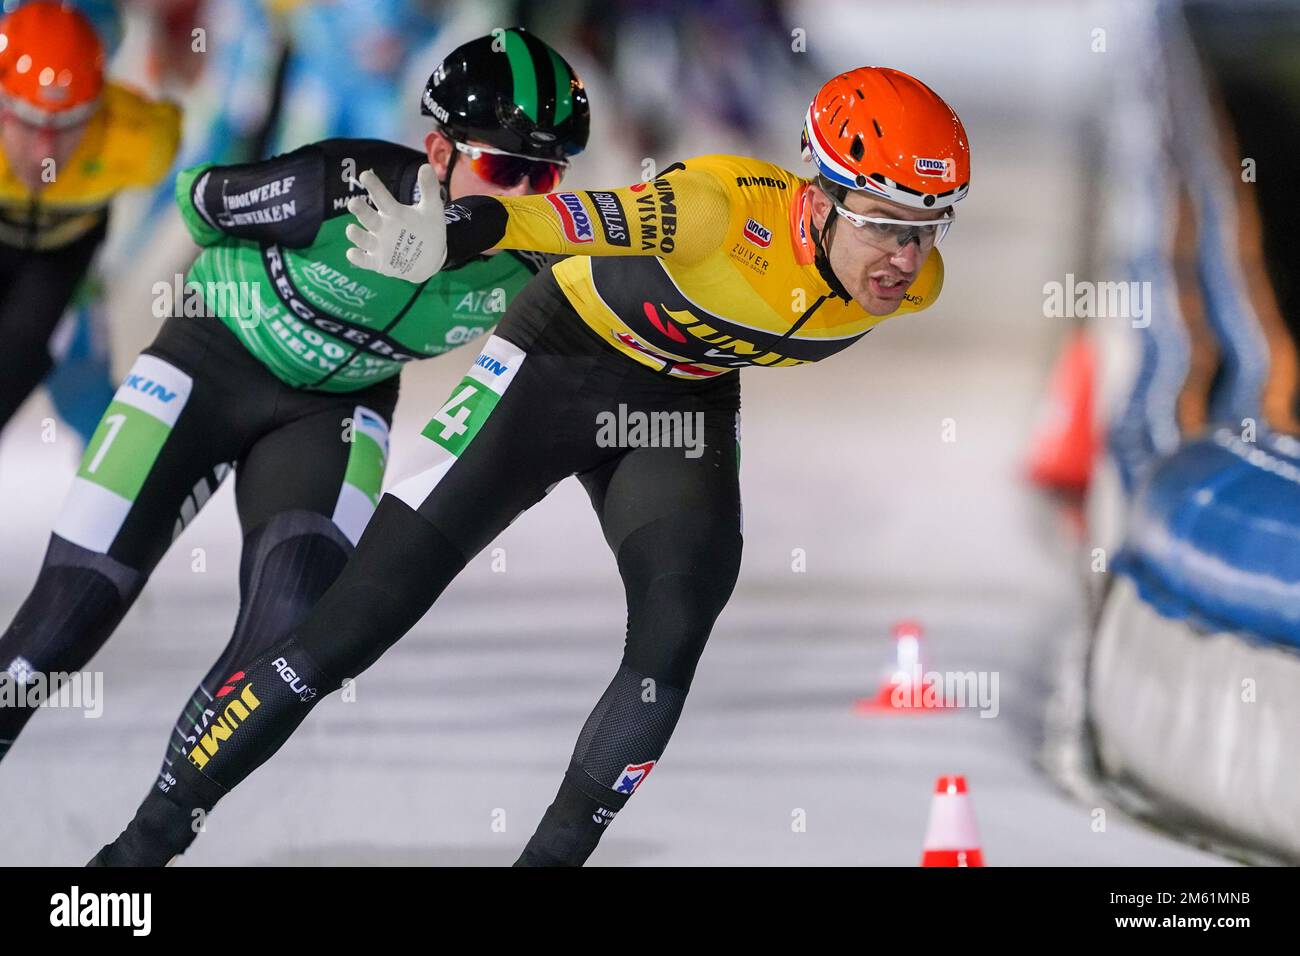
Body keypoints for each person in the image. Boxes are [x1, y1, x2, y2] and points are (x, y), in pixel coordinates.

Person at [91, 65, 970, 866]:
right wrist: (457, 232)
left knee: (677, 624)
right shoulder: (715, 208)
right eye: (888, 226)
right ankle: (137, 852)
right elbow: (562, 217)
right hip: (555, 365)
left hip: (678, 407)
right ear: (818, 203)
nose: (906, 258)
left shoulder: (912, 284)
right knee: (346, 629)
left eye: (928, 230)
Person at [0, 29, 588, 782]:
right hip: (209, 364)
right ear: (438, 154)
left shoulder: (538, 255)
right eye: (504, 167)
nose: (521, 198)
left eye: (544, 179)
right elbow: (199, 202)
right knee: (57, 627)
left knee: (280, 646)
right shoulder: (341, 185)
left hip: (338, 413)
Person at [0, 0, 180, 435]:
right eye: (28, 122)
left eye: (69, 124)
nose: (46, 151)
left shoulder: (141, 140)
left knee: (79, 383)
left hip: (68, 255)